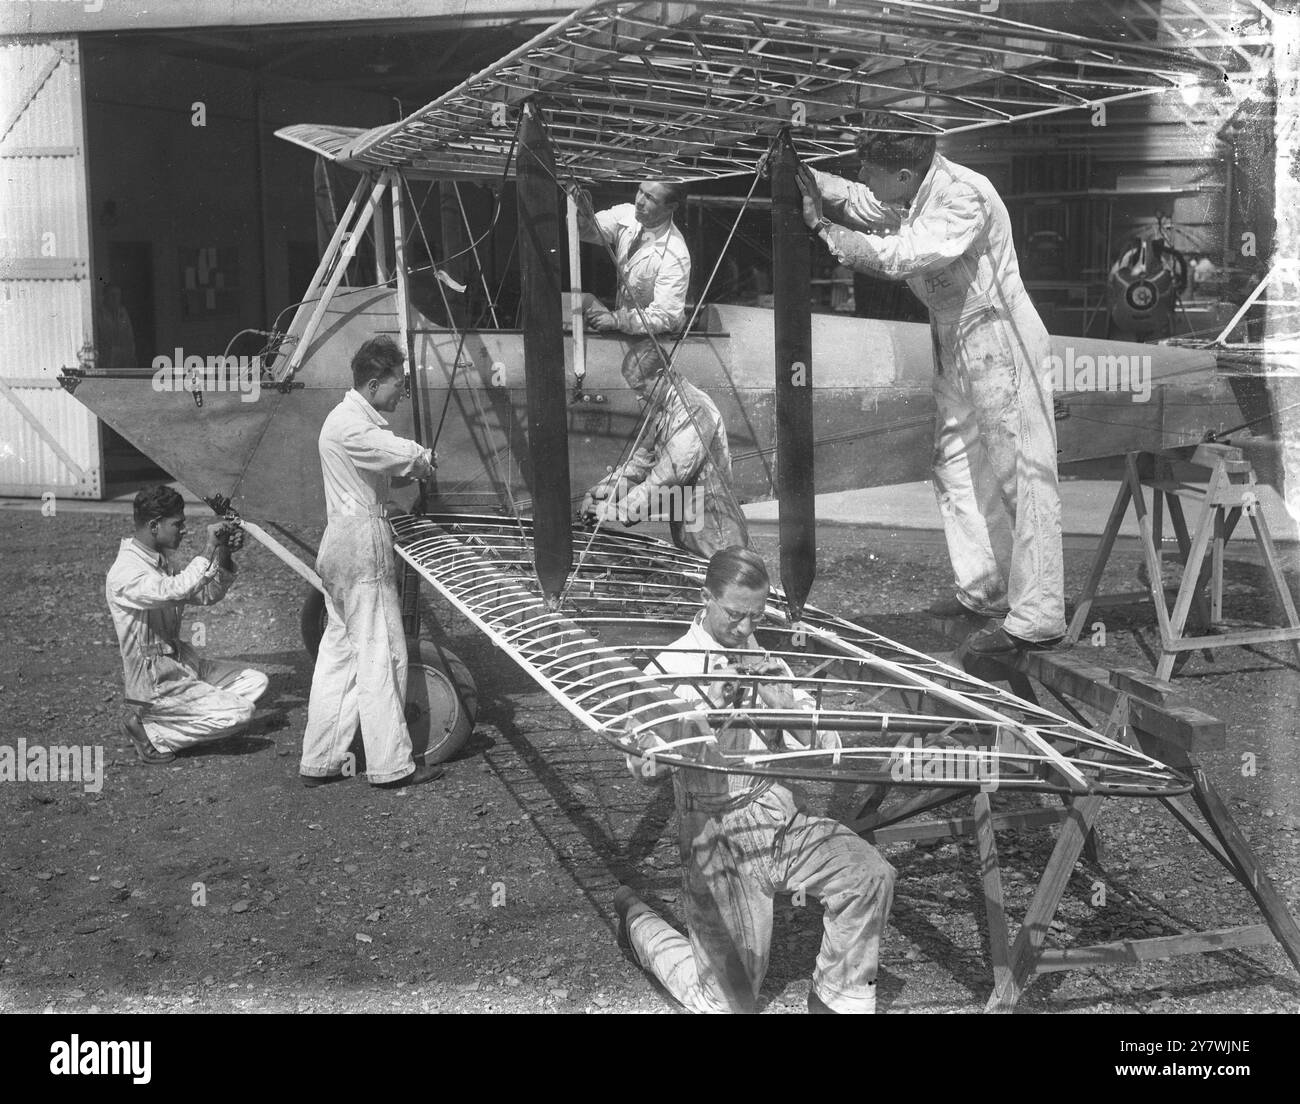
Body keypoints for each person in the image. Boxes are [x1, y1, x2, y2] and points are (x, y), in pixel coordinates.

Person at [796, 129, 1065, 655]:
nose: (864, 181)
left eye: (870, 171)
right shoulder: (910, 188)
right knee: (955, 465)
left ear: (902, 175)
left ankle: (1038, 616)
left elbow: (904, 255)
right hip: (952, 333)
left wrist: (825, 229)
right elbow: (864, 201)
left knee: (1023, 472)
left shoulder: (963, 195)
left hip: (998, 334)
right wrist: (806, 178)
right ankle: (983, 589)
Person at [613, 547, 896, 1014]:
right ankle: (636, 917)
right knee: (727, 1004)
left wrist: (786, 703)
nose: (745, 629)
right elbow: (640, 769)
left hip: (782, 814)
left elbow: (823, 746)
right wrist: (699, 718)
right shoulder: (671, 667)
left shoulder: (765, 658)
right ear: (706, 598)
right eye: (735, 616)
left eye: (756, 617)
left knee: (868, 874)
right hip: (718, 834)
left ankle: (835, 1000)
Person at [299, 336, 442, 790]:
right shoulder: (351, 425)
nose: (403, 391)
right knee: (383, 653)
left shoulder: (346, 421)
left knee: (339, 656)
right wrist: (424, 459)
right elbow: (394, 453)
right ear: (375, 382)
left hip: (340, 543)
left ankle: (321, 759)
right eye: (399, 382)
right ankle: (390, 765)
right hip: (361, 544)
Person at [106, 485, 268, 764]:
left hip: (180, 665)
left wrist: (225, 553)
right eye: (178, 524)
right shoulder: (126, 572)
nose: (184, 530)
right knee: (240, 713)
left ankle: (184, 713)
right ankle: (150, 730)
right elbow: (176, 590)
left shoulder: (158, 562)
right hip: (154, 683)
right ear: (154, 526)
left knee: (256, 682)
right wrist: (209, 548)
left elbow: (206, 595)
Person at [580, 343, 749, 558]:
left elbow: (668, 476)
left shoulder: (693, 408)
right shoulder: (664, 408)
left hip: (716, 531)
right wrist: (598, 493)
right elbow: (640, 464)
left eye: (641, 388)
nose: (638, 397)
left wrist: (620, 510)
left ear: (662, 375)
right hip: (689, 524)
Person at [575, 180, 691, 334]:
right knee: (582, 300)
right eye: (640, 191)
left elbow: (665, 317)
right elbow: (589, 232)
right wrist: (584, 215)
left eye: (650, 198)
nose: (639, 201)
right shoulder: (626, 214)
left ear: (671, 207)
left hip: (656, 343)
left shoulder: (676, 254)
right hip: (625, 333)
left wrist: (617, 320)